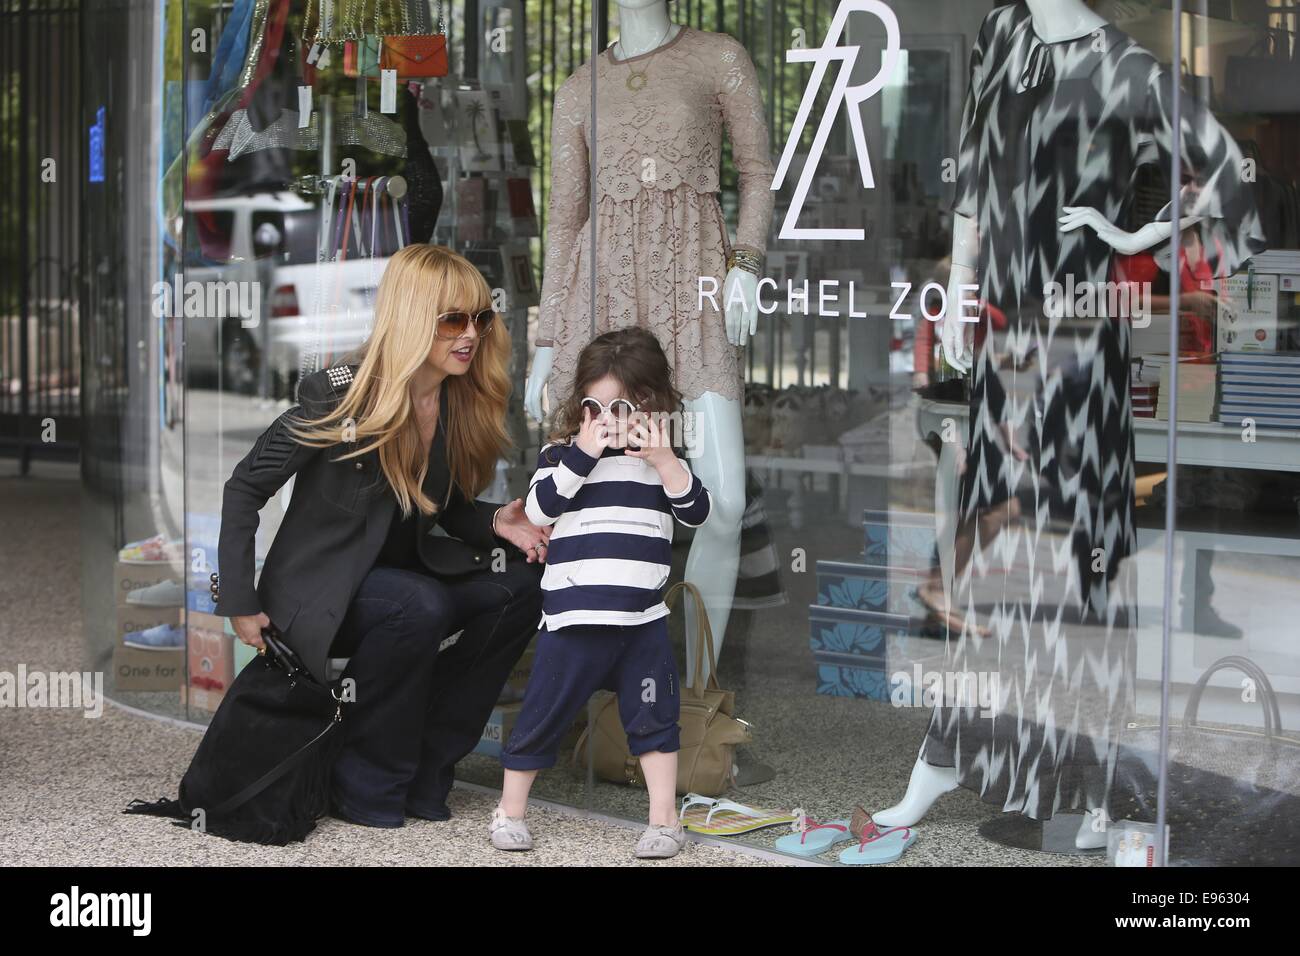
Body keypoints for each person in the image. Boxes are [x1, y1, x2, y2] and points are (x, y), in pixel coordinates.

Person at [213, 243, 551, 828]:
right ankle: (367, 781)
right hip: (323, 592)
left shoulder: (452, 398)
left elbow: (439, 506)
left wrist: (497, 521)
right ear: (413, 316)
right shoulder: (338, 396)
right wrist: (240, 601)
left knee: (520, 586)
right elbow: (245, 488)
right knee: (417, 604)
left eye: (480, 318)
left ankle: (429, 762)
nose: (469, 334)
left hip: (406, 581)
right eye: (453, 320)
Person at [491, 328, 711, 859]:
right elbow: (540, 510)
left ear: (653, 404)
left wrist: (663, 460)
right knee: (543, 711)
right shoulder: (560, 457)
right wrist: (582, 454)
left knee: (655, 721)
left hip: (642, 621)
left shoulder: (664, 463)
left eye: (625, 407)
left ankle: (663, 821)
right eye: (596, 406)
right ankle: (510, 810)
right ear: (581, 407)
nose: (609, 420)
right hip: (572, 616)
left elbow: (697, 512)